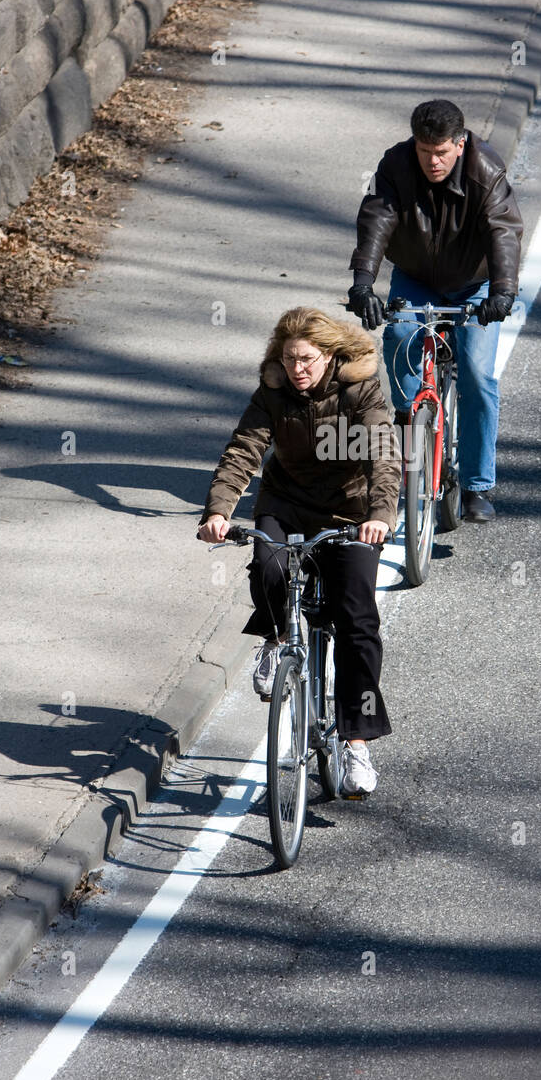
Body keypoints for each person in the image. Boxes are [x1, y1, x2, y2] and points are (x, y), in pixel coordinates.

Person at [197, 307, 400, 796]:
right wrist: (218, 510)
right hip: (287, 504)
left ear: (329, 355)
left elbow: (383, 453)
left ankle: (356, 744)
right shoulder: (273, 390)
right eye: (289, 359)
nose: (298, 369)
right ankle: (273, 639)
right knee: (266, 565)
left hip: (351, 515)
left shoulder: (360, 388)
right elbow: (245, 447)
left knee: (356, 620)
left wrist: (379, 515)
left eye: (307, 359)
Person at [347, 99, 523, 523]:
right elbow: (376, 220)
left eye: (441, 152)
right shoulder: (396, 164)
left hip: (476, 284)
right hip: (416, 277)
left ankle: (478, 487)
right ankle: (412, 416)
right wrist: (362, 283)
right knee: (399, 335)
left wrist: (502, 292)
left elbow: (504, 231)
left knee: (478, 377)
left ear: (460, 144)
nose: (433, 161)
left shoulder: (487, 170)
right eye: (425, 152)